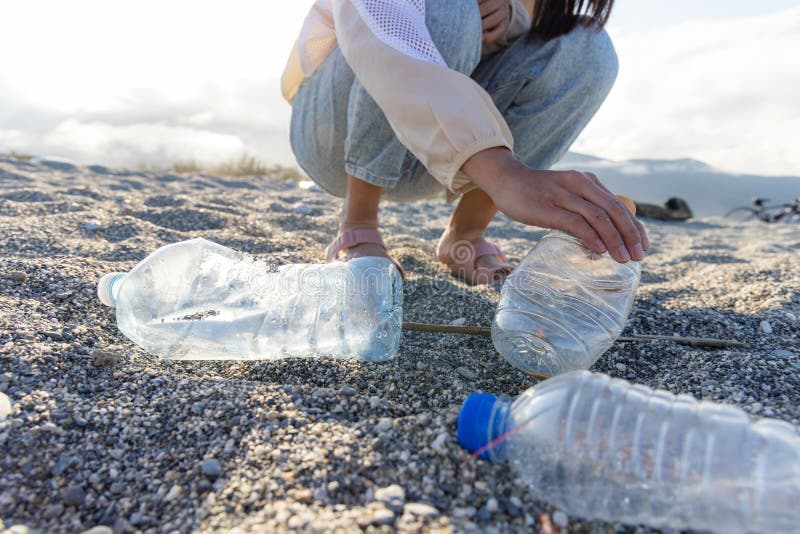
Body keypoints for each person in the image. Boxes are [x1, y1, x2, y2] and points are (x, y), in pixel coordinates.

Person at [283, 0, 649, 285]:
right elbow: (382, 25)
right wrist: (504, 172)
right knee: (448, 8)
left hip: (440, 158)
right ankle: (357, 224)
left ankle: (466, 235)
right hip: (336, 138)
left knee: (589, 48)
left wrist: (512, 15)